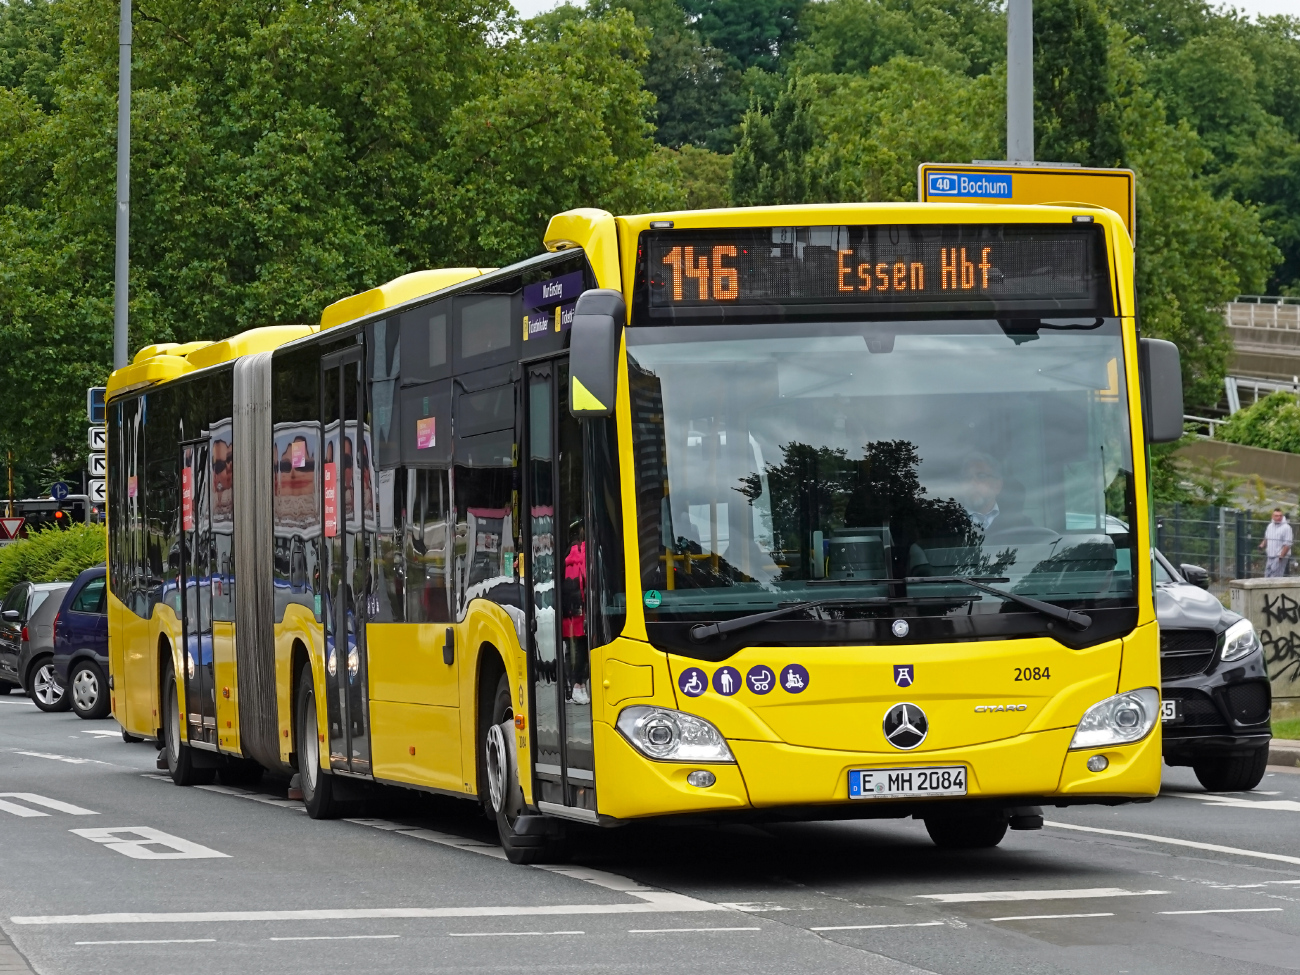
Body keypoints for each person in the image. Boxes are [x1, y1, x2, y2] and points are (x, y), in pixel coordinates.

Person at [1260, 508, 1293, 577]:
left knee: (1275, 576)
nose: (1279, 517)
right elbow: (1267, 537)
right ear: (1272, 516)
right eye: (1276, 516)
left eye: (1280, 516)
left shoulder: (1286, 528)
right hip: (1270, 555)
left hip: (1279, 555)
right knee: (1267, 575)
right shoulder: (1270, 526)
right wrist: (1262, 545)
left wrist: (1281, 556)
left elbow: (1287, 544)